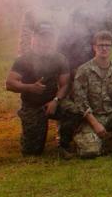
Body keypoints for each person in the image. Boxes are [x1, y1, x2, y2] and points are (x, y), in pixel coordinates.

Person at [5, 21, 76, 156]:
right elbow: (10, 83)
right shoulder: (24, 60)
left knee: (74, 111)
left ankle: (64, 143)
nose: (45, 42)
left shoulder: (59, 59)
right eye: (42, 37)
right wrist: (29, 87)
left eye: (49, 38)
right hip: (32, 105)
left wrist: (56, 100)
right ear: (34, 38)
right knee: (32, 152)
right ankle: (30, 131)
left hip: (52, 102)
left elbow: (65, 85)